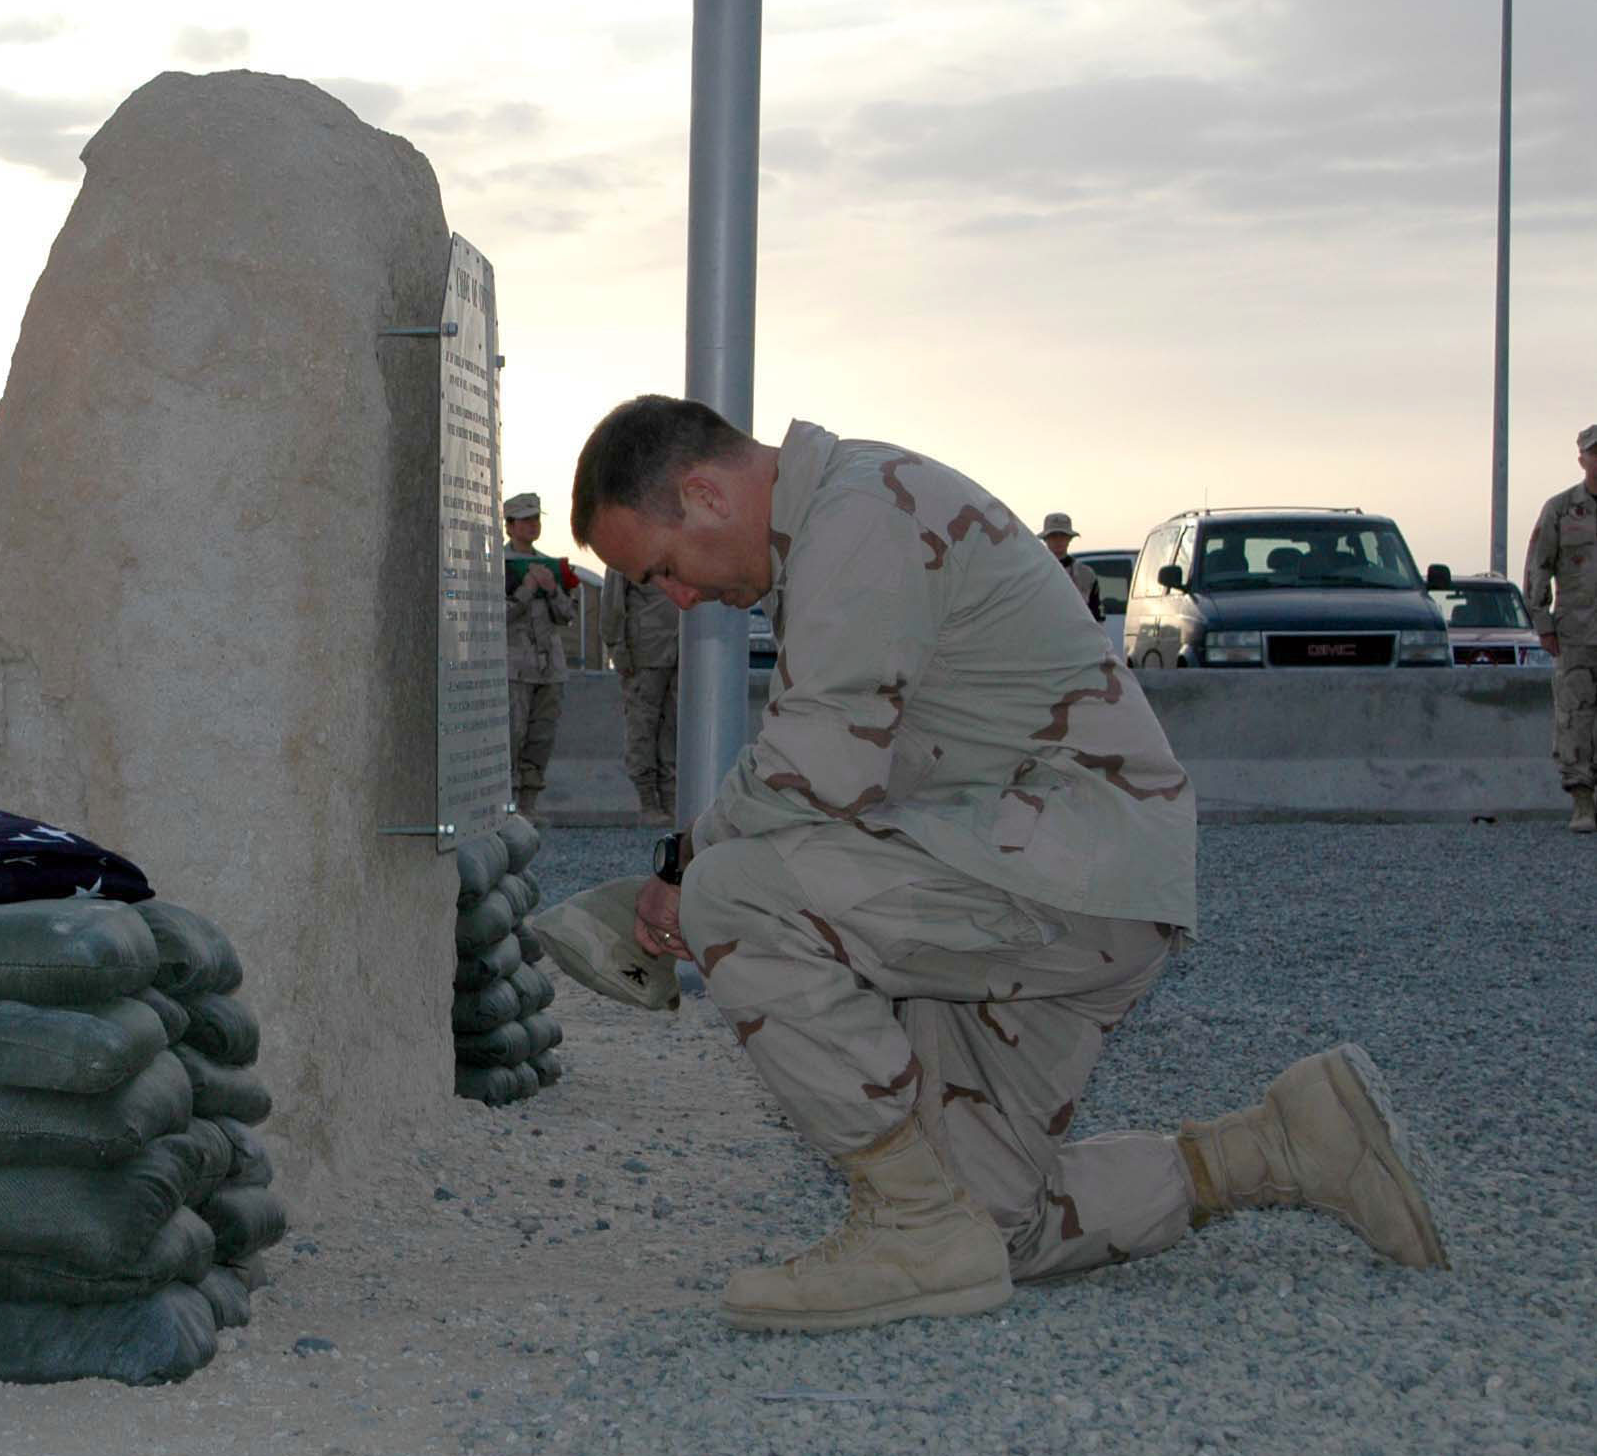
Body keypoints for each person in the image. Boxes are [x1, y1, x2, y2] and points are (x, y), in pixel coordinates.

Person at [539, 396, 1444, 1333]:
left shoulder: (858, 517)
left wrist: (678, 868)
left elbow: (813, 772)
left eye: (662, 570)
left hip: (1063, 870)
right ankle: (1280, 1147)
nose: (677, 599)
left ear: (703, 492)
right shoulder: (847, 516)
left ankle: (908, 1222)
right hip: (1038, 881)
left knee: (733, 894)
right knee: (989, 1228)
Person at [1520, 423, 1597, 835]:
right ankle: (1582, 803)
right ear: (1582, 458)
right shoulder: (1562, 509)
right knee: (1574, 719)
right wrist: (1543, 624)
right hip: (1577, 635)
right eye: (1595, 452)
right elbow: (1539, 568)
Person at [503, 492, 578, 824]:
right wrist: (527, 589)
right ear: (510, 526)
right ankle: (504, 805)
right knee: (510, 736)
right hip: (514, 667)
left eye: (537, 519)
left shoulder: (550, 567)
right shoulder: (499, 566)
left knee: (540, 739)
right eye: (526, 519)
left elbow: (568, 615)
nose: (533, 525)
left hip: (549, 668)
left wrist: (551, 588)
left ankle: (528, 805)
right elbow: (497, 616)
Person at [600, 564, 680, 826]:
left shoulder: (681, 540)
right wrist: (618, 649)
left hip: (679, 653)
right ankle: (648, 802)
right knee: (642, 728)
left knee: (674, 729)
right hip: (645, 655)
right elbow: (612, 606)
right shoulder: (628, 546)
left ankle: (671, 800)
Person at [1039, 511, 1103, 621]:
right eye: (1053, 536)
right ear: (1045, 539)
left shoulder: (1086, 575)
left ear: (1069, 539)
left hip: (1078, 633)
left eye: (1063, 536)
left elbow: (1096, 614)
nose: (1058, 540)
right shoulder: (1035, 573)